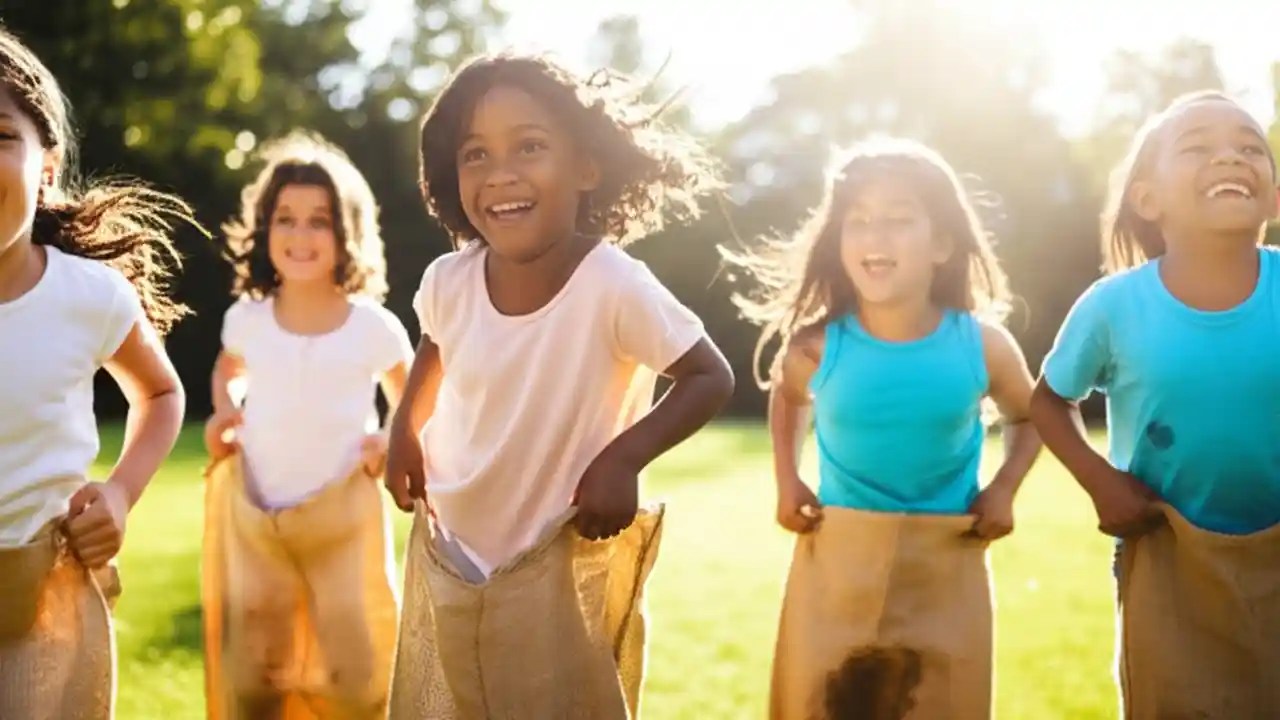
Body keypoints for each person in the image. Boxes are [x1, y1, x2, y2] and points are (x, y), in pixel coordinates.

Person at [383, 52, 734, 719]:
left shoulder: (613, 284)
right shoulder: (448, 280)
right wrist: (404, 431)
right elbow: (434, 347)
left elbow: (707, 376)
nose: (501, 174)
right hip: (452, 547)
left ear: (587, 167)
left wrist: (623, 458)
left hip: (553, 560)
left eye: (531, 146)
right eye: (475, 154)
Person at [731, 138, 1041, 720]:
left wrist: (1005, 488)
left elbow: (1030, 414)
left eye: (900, 220)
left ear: (942, 243)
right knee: (820, 703)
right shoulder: (819, 346)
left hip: (947, 562)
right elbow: (788, 397)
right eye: (860, 221)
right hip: (837, 562)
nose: (876, 237)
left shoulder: (983, 346)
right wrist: (787, 479)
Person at [1030, 91, 1280, 718]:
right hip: (1166, 553)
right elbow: (1049, 400)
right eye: (1198, 147)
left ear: (1274, 197)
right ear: (1148, 199)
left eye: (1253, 147)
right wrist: (1101, 484)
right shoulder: (1113, 307)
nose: (1232, 157)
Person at [0, 25, 190, 719]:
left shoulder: (89, 296)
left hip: (50, 597)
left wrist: (118, 494)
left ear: (45, 166)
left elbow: (162, 392)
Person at [201, 131, 411, 719]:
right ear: (264, 230)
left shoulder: (371, 327)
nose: (299, 235)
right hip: (260, 514)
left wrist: (389, 440)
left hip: (343, 515)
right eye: (285, 219)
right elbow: (227, 371)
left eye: (319, 220)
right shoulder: (248, 319)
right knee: (257, 664)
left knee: (354, 666)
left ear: (348, 233)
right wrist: (225, 411)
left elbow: (412, 399)